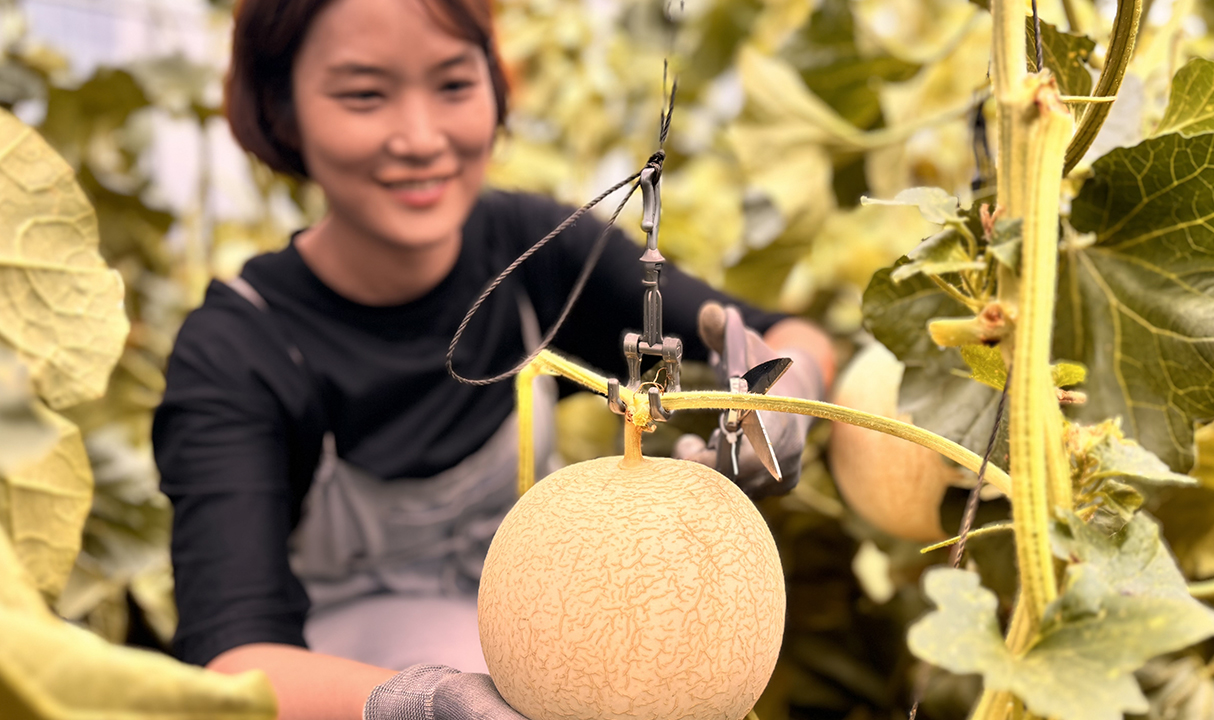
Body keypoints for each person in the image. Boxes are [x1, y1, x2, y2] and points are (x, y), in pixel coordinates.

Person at [153, 0, 836, 718]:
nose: (420, 137)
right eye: (364, 95)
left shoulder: (534, 253)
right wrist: (414, 703)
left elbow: (783, 333)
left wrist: (788, 396)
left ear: (494, 84)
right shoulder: (236, 347)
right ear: (282, 108)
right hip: (336, 689)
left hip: (540, 663)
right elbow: (229, 659)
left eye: (452, 85)